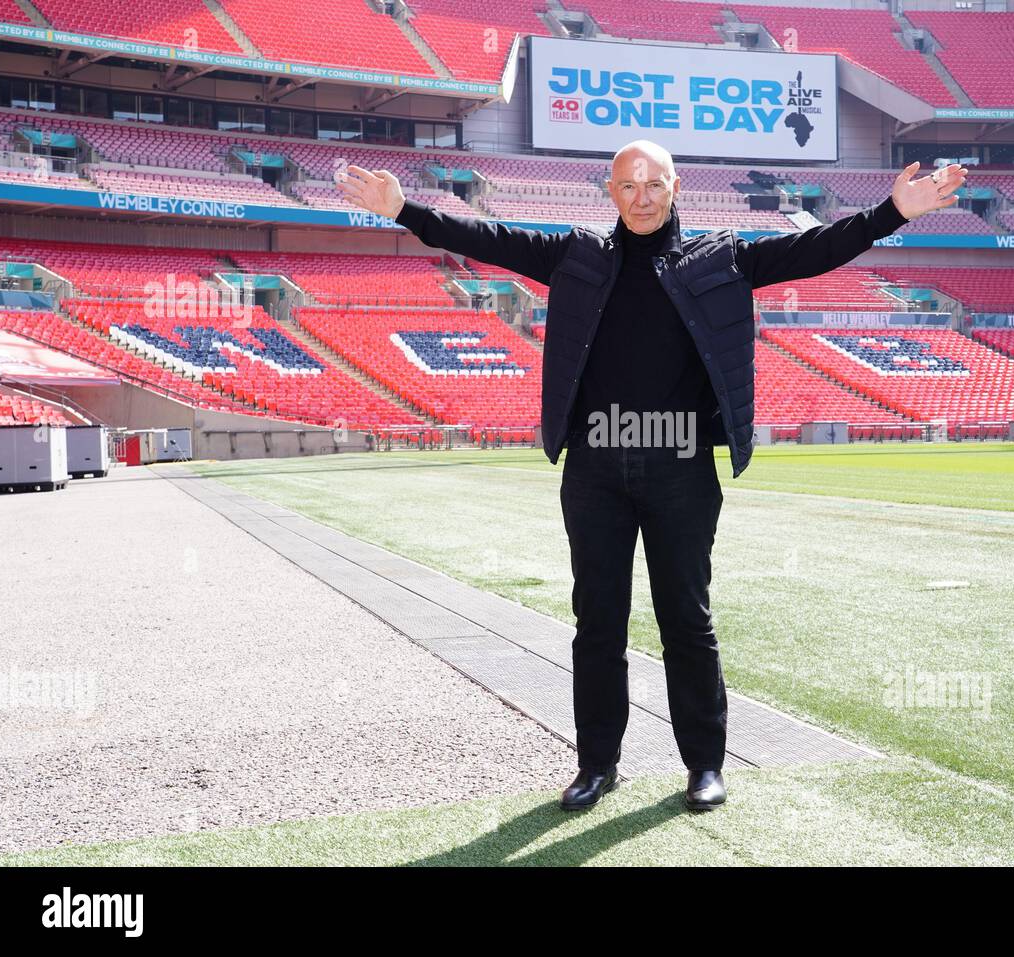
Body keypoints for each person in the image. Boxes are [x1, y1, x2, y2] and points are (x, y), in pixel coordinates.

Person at [338, 141, 966, 812]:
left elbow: (814, 251)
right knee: (598, 622)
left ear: (675, 188)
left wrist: (891, 212)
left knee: (686, 621)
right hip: (597, 468)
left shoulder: (720, 257)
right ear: (610, 190)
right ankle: (597, 764)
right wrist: (404, 208)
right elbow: (489, 237)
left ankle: (704, 765)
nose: (642, 195)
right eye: (629, 183)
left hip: (681, 468)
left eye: (654, 182)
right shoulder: (577, 256)